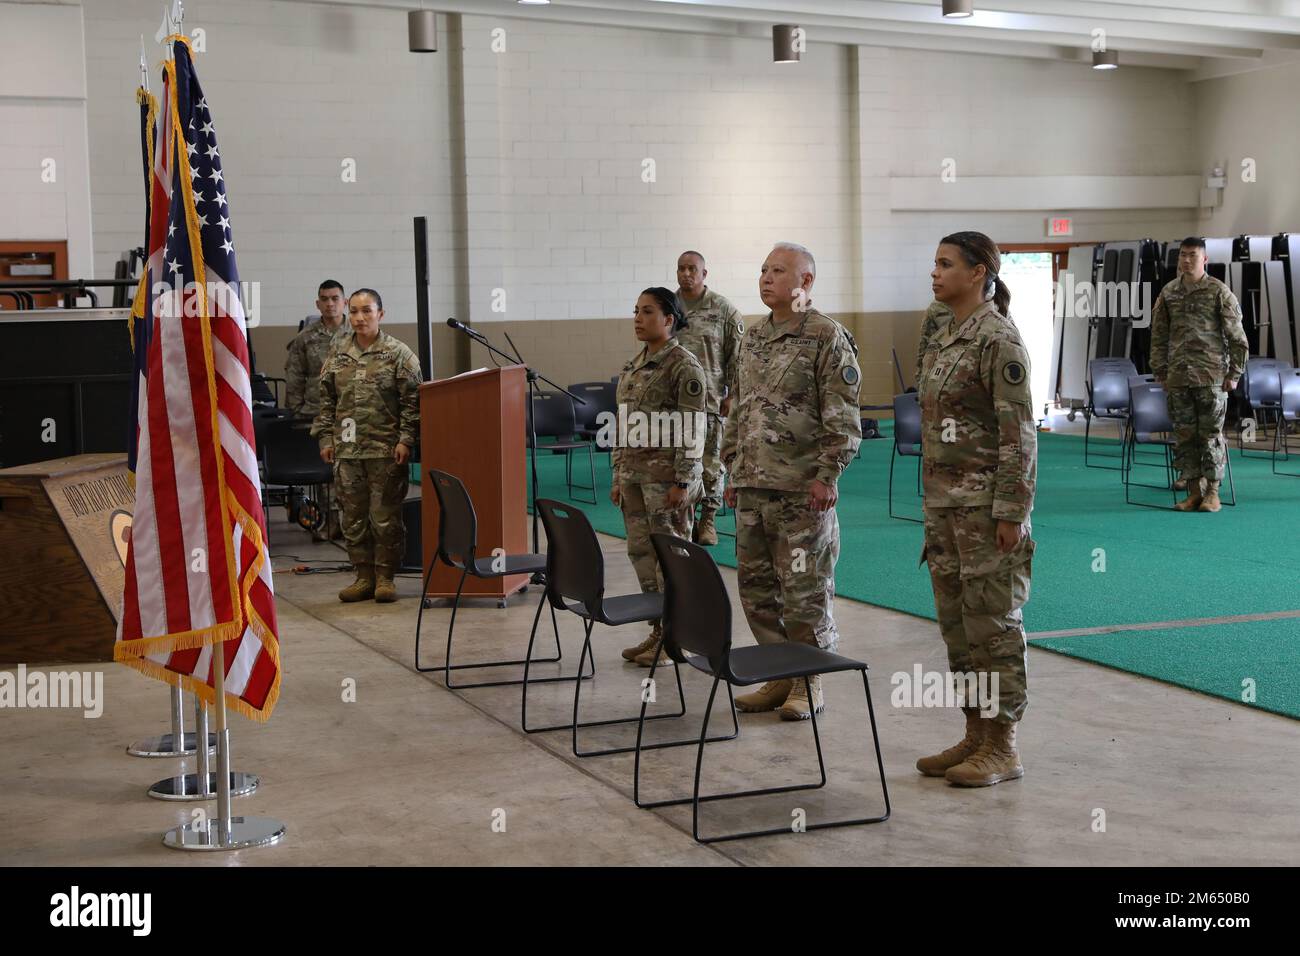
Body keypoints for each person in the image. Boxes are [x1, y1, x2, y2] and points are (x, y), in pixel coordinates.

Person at [721, 243, 861, 721]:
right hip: (753, 486)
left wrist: (828, 473)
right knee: (757, 590)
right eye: (763, 270)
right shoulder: (752, 336)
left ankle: (809, 680)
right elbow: (737, 408)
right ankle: (780, 674)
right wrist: (732, 467)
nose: (766, 278)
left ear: (805, 282)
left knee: (804, 591)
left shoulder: (826, 336)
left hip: (803, 491)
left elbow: (842, 415)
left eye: (778, 271)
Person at [916, 230, 1036, 787]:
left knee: (994, 628)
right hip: (945, 507)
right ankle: (975, 732)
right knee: (959, 630)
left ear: (979, 273)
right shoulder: (942, 334)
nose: (935, 273)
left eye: (946, 264)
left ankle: (1003, 745)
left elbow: (1020, 434)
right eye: (935, 263)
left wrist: (1011, 510)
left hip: (988, 511)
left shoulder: (998, 340)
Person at [613, 288, 708, 667]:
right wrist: (619, 475)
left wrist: (684, 481)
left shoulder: (683, 366)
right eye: (636, 310)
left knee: (670, 561)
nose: (638, 318)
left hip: (667, 483)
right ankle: (658, 629)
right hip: (636, 480)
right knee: (641, 555)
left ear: (669, 320)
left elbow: (693, 427)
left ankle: (675, 639)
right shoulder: (634, 365)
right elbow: (623, 426)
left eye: (647, 311)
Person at [312, 289, 422, 603]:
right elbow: (327, 400)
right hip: (347, 453)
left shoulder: (398, 354)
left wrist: (405, 440)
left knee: (384, 518)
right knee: (352, 517)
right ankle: (363, 576)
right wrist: (325, 437)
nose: (360, 318)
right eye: (356, 312)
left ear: (381, 314)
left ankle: (385, 578)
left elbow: (412, 403)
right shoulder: (337, 352)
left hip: (385, 452)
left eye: (367, 311)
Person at [1150, 237, 1248, 513]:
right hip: (1179, 378)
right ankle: (1194, 492)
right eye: (1183, 255)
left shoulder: (1219, 292)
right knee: (1185, 437)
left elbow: (1237, 338)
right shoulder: (1169, 293)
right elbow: (1158, 336)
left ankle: (1213, 493)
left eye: (1193, 255)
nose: (1186, 260)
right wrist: (1160, 370)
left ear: (1204, 259)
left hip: (1211, 377)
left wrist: (1235, 373)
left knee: (1210, 436)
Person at [673, 251, 744, 545]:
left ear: (704, 274)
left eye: (692, 269)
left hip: (711, 401)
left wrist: (733, 394)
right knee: (680, 462)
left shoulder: (722, 309)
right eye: (681, 268)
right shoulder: (668, 306)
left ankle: (708, 520)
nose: (686, 273)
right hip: (674, 405)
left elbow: (737, 357)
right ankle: (684, 519)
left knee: (711, 463)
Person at [285, 279, 347, 540]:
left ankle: (353, 525)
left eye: (335, 298)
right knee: (326, 470)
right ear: (317, 304)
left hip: (354, 412)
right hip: (317, 412)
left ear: (344, 302)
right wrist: (297, 409)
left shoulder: (359, 332)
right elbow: (295, 375)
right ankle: (331, 522)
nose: (330, 303)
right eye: (325, 299)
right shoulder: (306, 338)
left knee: (352, 471)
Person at [916, 299, 953, 386]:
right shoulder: (936, 308)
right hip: (941, 372)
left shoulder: (978, 304)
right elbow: (925, 345)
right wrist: (921, 377)